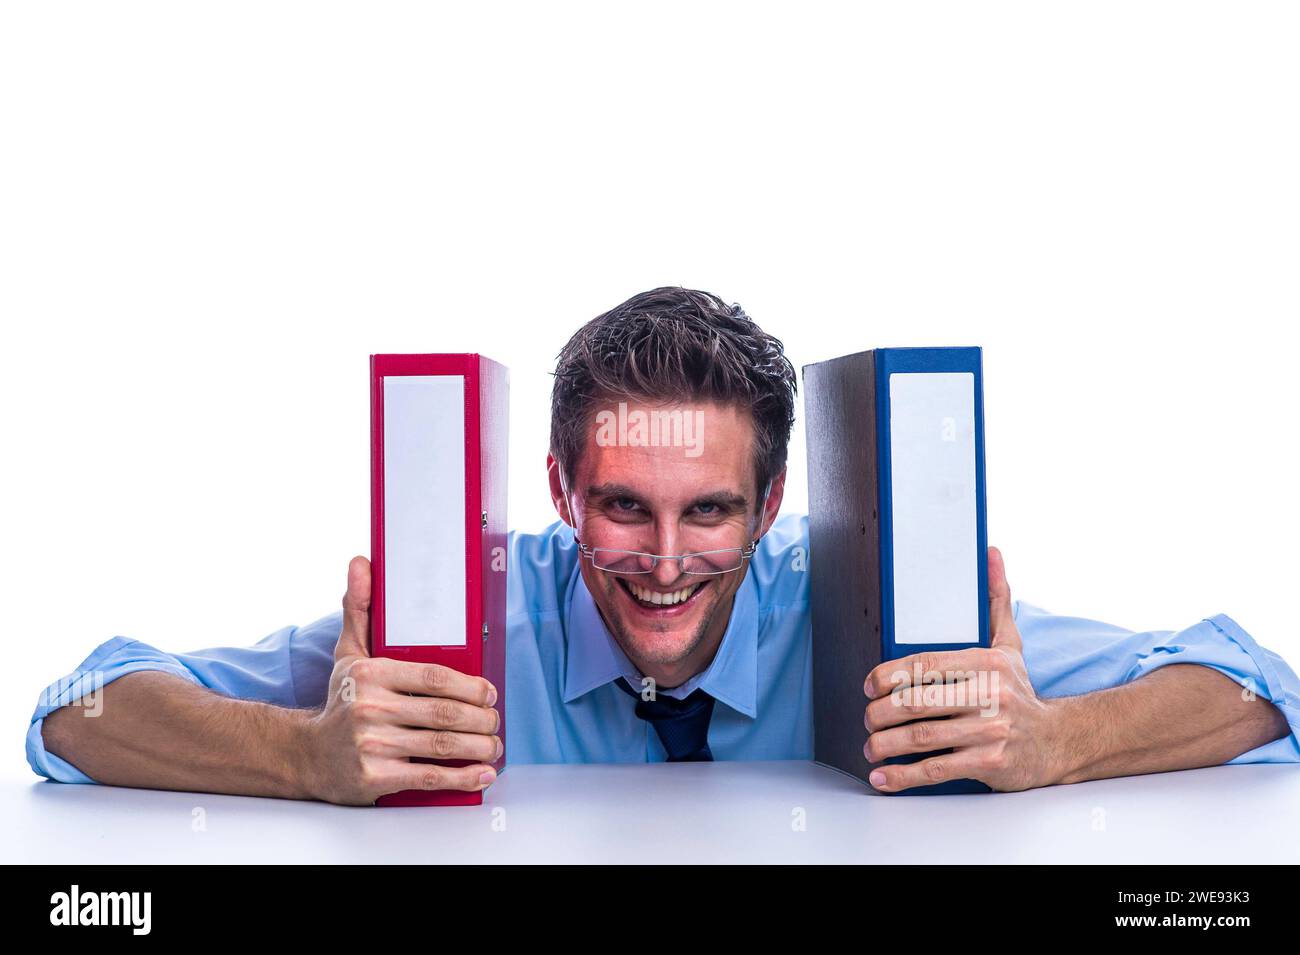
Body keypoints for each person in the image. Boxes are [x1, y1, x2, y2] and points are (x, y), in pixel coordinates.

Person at [29, 287, 1300, 804]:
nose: (665, 560)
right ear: (558, 492)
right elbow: (74, 708)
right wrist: (299, 756)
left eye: (711, 511)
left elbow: (1261, 684)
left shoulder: (854, 607)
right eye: (622, 505)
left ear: (776, 497)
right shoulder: (475, 620)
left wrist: (1064, 739)